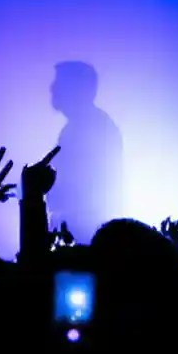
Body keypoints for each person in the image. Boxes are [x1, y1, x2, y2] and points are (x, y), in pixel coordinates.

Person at [49, 61, 122, 237]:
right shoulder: (80, 126)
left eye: (60, 83)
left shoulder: (91, 126)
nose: (52, 89)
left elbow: (80, 182)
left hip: (85, 228)